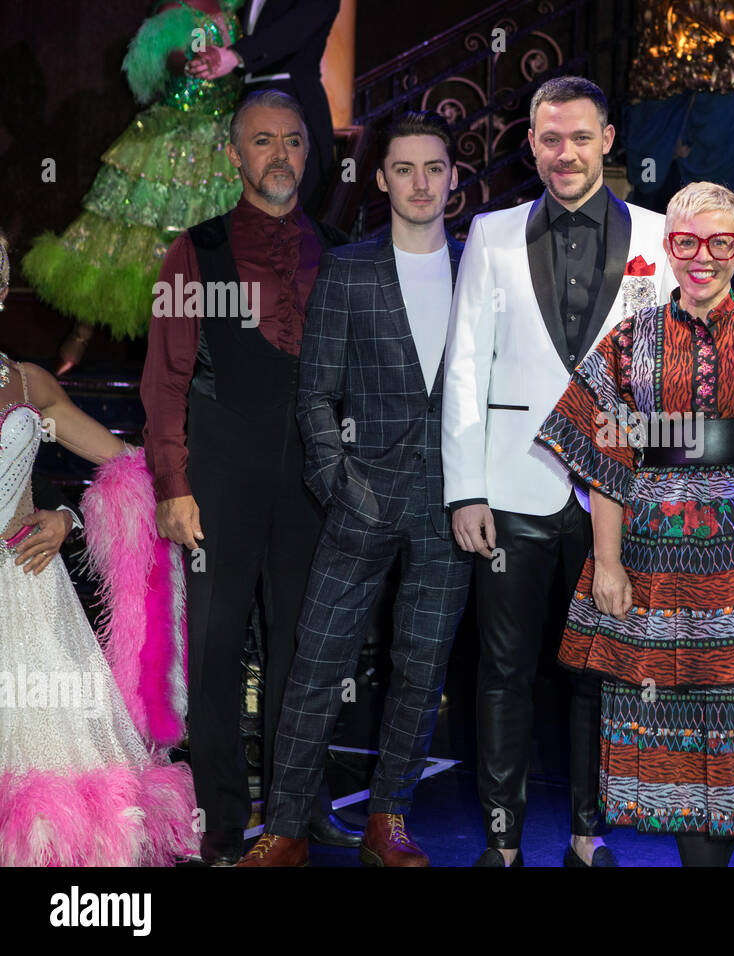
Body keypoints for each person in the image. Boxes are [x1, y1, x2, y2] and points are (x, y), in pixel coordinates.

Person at [537, 181, 734, 867]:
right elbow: (605, 454)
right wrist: (608, 564)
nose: (702, 257)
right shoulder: (631, 335)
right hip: (654, 552)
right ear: (668, 246)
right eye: (686, 242)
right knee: (669, 705)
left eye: (721, 242)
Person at [442, 76, 675, 867]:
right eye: (550, 139)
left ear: (608, 139)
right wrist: (463, 487)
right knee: (502, 670)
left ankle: (587, 833)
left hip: (615, 496)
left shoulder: (660, 231)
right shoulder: (491, 232)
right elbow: (466, 364)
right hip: (510, 484)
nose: (565, 153)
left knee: (597, 672)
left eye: (580, 137)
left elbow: (671, 370)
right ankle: (502, 842)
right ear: (531, 146)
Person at [237, 111, 473, 867]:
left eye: (434, 168)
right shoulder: (350, 268)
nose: (419, 183)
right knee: (316, 662)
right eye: (403, 168)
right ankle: (286, 828)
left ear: (454, 179)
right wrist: (338, 483)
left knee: (421, 665)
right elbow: (315, 394)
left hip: (453, 505)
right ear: (380, 179)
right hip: (362, 497)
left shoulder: (482, 267)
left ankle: (388, 821)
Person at [140, 89, 355, 866]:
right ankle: (224, 819)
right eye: (261, 142)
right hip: (221, 474)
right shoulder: (193, 251)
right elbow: (163, 380)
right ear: (235, 155)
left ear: (308, 152)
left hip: (313, 477)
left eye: (292, 142)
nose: (278, 156)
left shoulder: (338, 248)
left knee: (311, 646)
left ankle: (301, 809)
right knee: (218, 647)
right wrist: (173, 484)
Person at [1, 231, 196, 865]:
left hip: (29, 598)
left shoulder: (30, 388)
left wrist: (66, 519)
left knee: (59, 802)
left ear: (3, 291)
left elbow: (138, 472)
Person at [23, 0, 246, 372]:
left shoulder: (234, 9)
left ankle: (206, 357)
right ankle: (79, 336)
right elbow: (165, 53)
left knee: (213, 245)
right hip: (173, 137)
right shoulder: (177, 9)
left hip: (222, 140)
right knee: (126, 235)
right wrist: (185, 61)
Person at [187, 0, 340, 214]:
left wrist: (235, 55)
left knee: (290, 204)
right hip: (246, 101)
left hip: (289, 98)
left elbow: (291, 29)